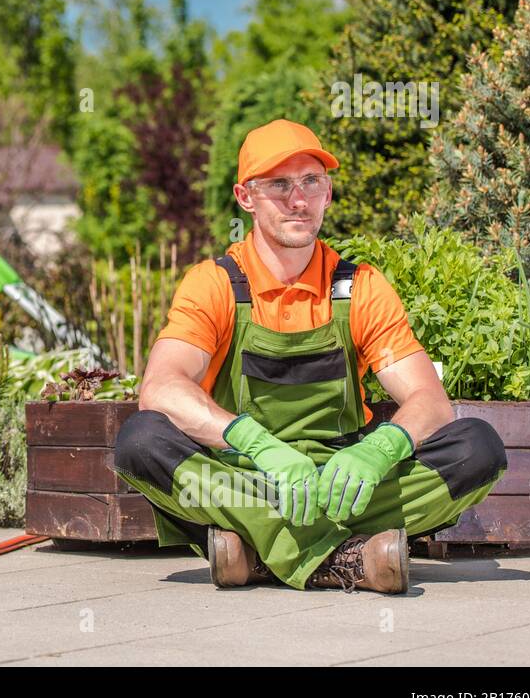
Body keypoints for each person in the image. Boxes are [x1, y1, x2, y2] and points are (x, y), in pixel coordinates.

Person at [112, 119, 508, 593]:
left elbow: (430, 399)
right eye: (279, 185)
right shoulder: (215, 284)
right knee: (140, 441)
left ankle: (258, 553)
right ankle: (347, 559)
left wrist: (379, 451)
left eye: (311, 182)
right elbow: (160, 388)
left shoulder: (359, 288)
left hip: (347, 488)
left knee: (479, 448)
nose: (299, 201)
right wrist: (255, 443)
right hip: (248, 476)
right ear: (245, 197)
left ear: (328, 193)